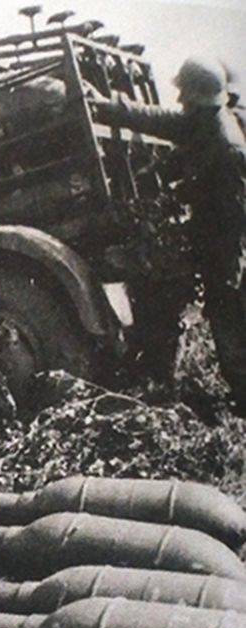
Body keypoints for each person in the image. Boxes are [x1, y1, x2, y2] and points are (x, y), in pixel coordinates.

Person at [93, 56, 246, 411]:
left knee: (230, 318)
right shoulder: (211, 123)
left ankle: (242, 399)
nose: (179, 102)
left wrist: (226, 266)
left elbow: (234, 216)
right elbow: (163, 120)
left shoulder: (224, 149)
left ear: (197, 99)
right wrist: (112, 108)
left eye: (184, 96)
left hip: (229, 243)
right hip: (222, 237)